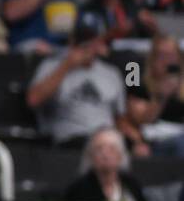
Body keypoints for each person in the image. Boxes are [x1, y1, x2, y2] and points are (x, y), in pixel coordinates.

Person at [25, 12, 125, 148]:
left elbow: (120, 118)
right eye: (82, 41)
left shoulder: (112, 73)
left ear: (99, 42)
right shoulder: (52, 65)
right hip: (69, 141)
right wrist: (67, 65)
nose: (86, 46)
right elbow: (33, 100)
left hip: (105, 141)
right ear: (72, 41)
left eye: (91, 41)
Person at [123, 34, 184, 158]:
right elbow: (138, 118)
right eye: (162, 56)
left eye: (172, 55)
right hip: (152, 138)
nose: (168, 60)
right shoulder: (135, 73)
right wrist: (161, 97)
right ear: (152, 58)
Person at [63, 128, 147, 201]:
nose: (105, 154)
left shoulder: (131, 185)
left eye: (112, 149)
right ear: (90, 155)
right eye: (99, 149)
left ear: (121, 155)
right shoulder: (78, 190)